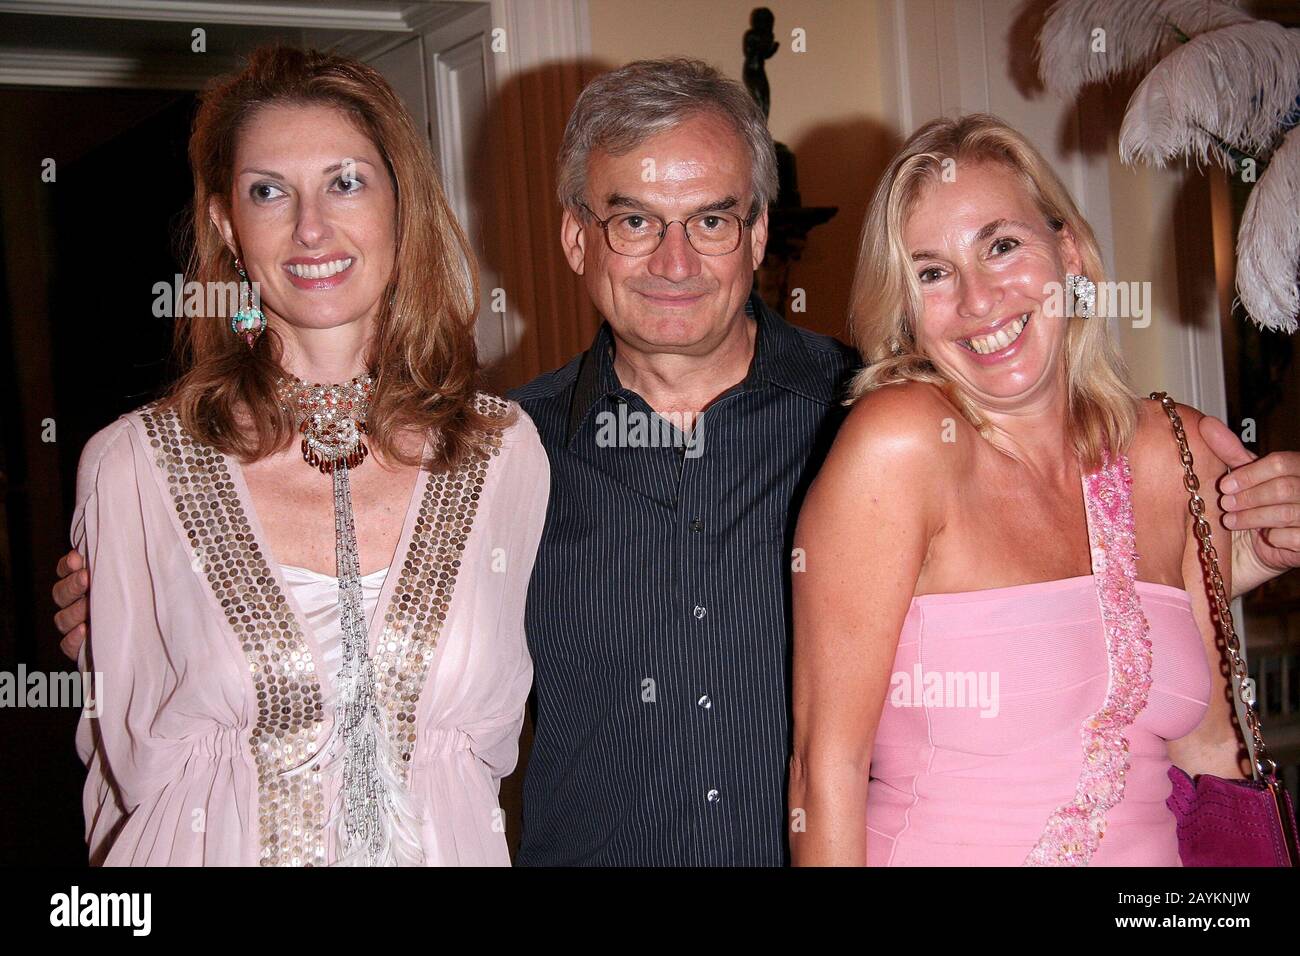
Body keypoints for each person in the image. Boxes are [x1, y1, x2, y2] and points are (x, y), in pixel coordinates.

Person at [55, 59, 1300, 867]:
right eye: (630, 219)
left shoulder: (886, 420)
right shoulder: (494, 456)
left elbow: (1057, 528)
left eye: (711, 217)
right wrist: (146, 593)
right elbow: (345, 629)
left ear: (759, 232)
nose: (672, 258)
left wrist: (1215, 541)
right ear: (573, 240)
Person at [64, 45, 548, 866]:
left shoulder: (503, 454)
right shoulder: (135, 467)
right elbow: (118, 781)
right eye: (268, 192)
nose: (311, 227)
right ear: (226, 223)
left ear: (401, 203)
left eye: (346, 181)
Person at [789, 114, 1273, 866]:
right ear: (907, 309)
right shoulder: (901, 445)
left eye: (1002, 245)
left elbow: (1211, 748)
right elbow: (826, 772)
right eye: (932, 272)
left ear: (1069, 255)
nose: (979, 300)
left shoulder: (1167, 447)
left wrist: (1270, 537)